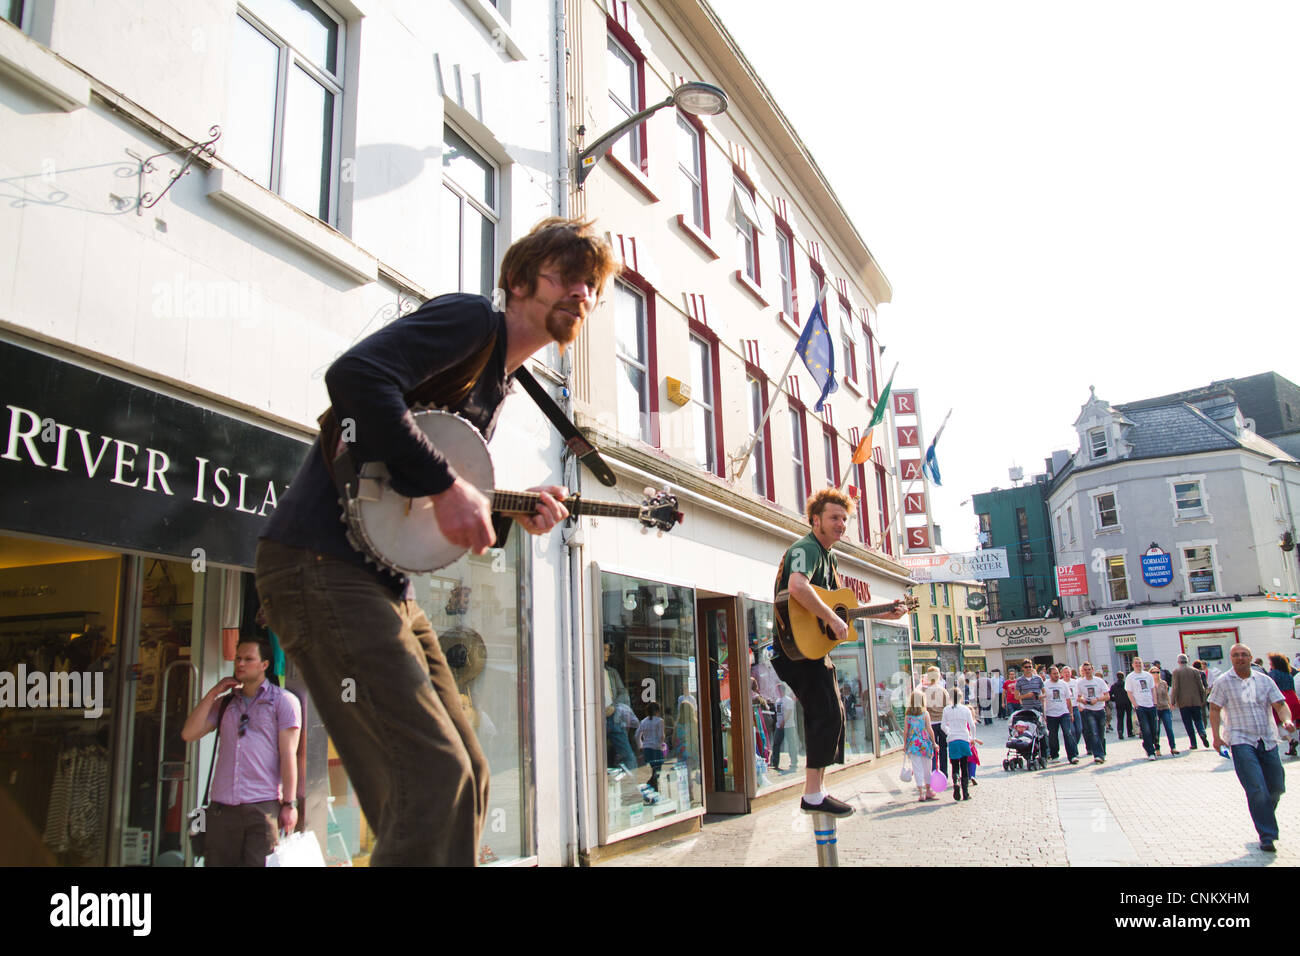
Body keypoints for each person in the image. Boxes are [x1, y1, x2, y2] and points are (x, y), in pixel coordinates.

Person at [254, 217, 620, 865]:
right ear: (518, 280)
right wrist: (450, 487)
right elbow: (354, 378)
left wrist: (505, 512)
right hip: (320, 563)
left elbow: (409, 495)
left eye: (590, 285)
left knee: (465, 777)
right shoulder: (471, 322)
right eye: (566, 275)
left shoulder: (498, 384)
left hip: (375, 579)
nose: (581, 293)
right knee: (435, 781)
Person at [772, 488, 907, 817]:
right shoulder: (807, 548)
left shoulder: (829, 556)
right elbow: (798, 586)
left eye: (845, 519)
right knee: (828, 712)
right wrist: (831, 618)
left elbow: (843, 607)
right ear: (815, 519)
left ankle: (817, 789)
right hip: (796, 649)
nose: (841, 524)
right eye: (834, 517)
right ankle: (812, 794)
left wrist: (884, 612)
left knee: (833, 713)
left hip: (811, 651)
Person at [181, 637, 301, 867]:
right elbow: (189, 733)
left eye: (248, 659)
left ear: (264, 665)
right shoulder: (226, 704)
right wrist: (213, 693)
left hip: (262, 806)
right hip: (222, 808)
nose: (241, 664)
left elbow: (288, 755)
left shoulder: (283, 701)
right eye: (238, 659)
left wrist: (290, 804)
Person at [1209, 643, 1296, 853]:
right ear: (1231, 658)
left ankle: (1264, 815)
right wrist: (1217, 737)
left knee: (1276, 787)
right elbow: (1214, 708)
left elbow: (1280, 704)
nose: (1240, 658)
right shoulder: (1223, 682)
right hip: (1240, 741)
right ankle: (1267, 835)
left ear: (1250, 657)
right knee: (1256, 789)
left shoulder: (1265, 680)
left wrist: (1286, 721)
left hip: (1267, 739)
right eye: (1236, 655)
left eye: (1244, 655)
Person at [942, 687, 982, 801]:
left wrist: (949, 732)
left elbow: (943, 725)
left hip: (953, 739)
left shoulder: (946, 710)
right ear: (961, 697)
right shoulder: (965, 709)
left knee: (955, 765)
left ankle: (955, 782)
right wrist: (973, 738)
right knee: (964, 766)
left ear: (950, 698)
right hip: (964, 738)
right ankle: (965, 792)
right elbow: (972, 725)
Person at [903, 691, 938, 802]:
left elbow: (906, 731)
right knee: (927, 768)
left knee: (917, 769)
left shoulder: (908, 715)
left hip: (913, 745)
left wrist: (905, 745)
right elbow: (929, 729)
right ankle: (928, 790)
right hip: (925, 744)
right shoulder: (925, 714)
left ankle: (921, 793)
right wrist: (934, 742)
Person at [1171, 653, 1211, 750]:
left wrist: (1172, 701)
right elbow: (1201, 686)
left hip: (1183, 702)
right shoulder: (1195, 671)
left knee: (1188, 722)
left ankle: (1193, 743)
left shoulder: (1176, 671)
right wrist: (1203, 698)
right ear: (1187, 661)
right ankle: (1202, 732)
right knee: (1198, 719)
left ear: (1179, 661)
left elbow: (1175, 687)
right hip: (1195, 700)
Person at [1042, 666, 1079, 764]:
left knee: (1068, 733)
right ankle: (1054, 755)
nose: (1056, 675)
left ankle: (1072, 756)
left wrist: (1071, 713)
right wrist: (1044, 714)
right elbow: (1043, 700)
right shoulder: (1045, 685)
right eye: (1054, 673)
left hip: (1064, 712)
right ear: (1050, 675)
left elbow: (1068, 700)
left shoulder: (1063, 684)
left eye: (1057, 673)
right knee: (1053, 736)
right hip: (1051, 713)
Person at [1126, 657, 1160, 761]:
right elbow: (1129, 692)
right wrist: (1135, 705)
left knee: (1154, 729)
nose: (1138, 665)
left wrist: (1155, 702)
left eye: (1139, 663)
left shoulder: (1148, 675)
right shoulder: (1130, 677)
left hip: (1150, 704)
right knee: (1146, 729)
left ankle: (1148, 744)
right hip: (1140, 706)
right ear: (1132, 665)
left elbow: (1152, 689)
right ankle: (1151, 752)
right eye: (1136, 663)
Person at [1076, 661, 1110, 764]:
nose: (1087, 672)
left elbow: (1107, 696)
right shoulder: (1080, 683)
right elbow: (1078, 697)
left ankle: (1102, 752)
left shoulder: (1099, 681)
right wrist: (1084, 701)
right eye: (1085, 670)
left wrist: (1098, 699)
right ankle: (1098, 755)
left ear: (1092, 670)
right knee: (1094, 732)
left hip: (1100, 709)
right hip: (1089, 710)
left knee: (1101, 733)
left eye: (1089, 669)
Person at [1266, 654, 1300, 758]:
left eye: (1271, 662)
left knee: (1279, 722)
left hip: (1280, 698)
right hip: (1292, 697)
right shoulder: (1288, 674)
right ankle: (1293, 743)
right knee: (1292, 722)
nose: (1269, 664)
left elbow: (1270, 689)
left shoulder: (1272, 674)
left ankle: (1291, 740)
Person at [923, 666, 949, 777]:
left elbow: (924, 708)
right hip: (942, 722)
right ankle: (944, 773)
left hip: (931, 723)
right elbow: (947, 707)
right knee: (943, 748)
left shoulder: (925, 692)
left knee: (932, 748)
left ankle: (933, 772)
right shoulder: (943, 691)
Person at [636, 702, 665, 791]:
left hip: (647, 748)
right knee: (657, 771)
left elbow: (637, 735)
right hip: (656, 748)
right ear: (657, 711)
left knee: (652, 770)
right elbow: (661, 736)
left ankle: (653, 788)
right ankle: (651, 787)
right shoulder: (659, 721)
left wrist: (640, 745)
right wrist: (662, 743)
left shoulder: (643, 721)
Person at [1150, 665, 1178, 755]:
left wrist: (1170, 704)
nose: (1156, 674)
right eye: (1153, 672)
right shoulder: (1149, 684)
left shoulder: (1164, 683)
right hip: (1155, 709)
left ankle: (1173, 747)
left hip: (1165, 707)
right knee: (1156, 730)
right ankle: (1157, 749)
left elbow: (1166, 695)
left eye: (1157, 672)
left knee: (1169, 728)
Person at [1111, 671, 1133, 739]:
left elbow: (1109, 695)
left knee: (1120, 718)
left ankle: (1120, 732)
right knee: (1129, 717)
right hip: (1127, 702)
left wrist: (1115, 699)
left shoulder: (1114, 685)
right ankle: (1130, 732)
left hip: (1119, 703)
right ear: (1123, 677)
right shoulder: (1126, 684)